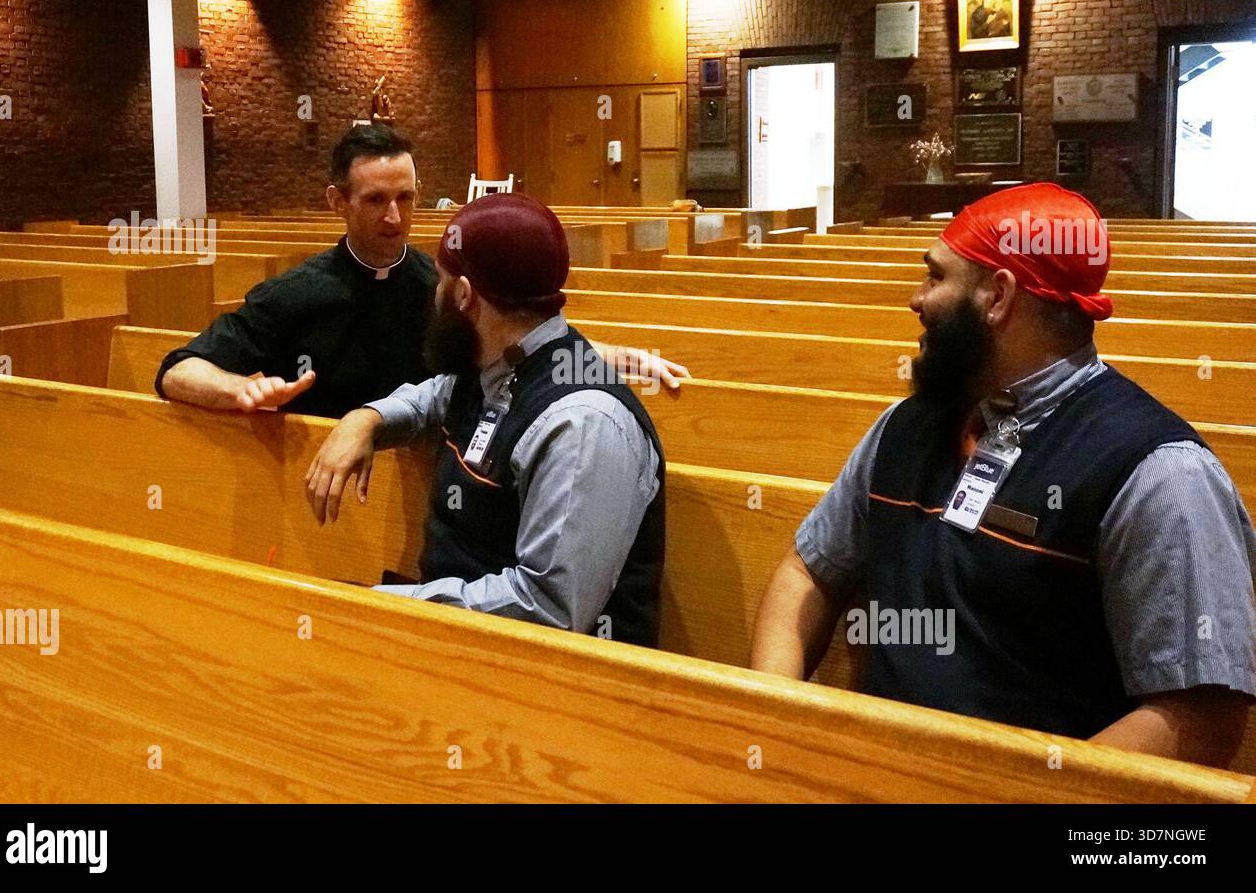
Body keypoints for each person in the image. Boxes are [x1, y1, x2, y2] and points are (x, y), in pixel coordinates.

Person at [750, 183, 1256, 768]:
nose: (917, 299)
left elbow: (1201, 720)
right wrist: (778, 719)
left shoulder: (1160, 474)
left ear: (997, 296)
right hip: (872, 772)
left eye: (936, 278)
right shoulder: (904, 427)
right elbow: (809, 571)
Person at [304, 192, 665, 645]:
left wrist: (391, 605)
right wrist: (367, 419)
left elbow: (547, 609)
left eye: (440, 282)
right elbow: (432, 397)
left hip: (557, 687)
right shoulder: (494, 363)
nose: (433, 296)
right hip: (459, 638)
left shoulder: (582, 424)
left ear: (463, 295)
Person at [156, 124, 687, 417]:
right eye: (376, 200)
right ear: (336, 202)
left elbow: (520, 347)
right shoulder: (293, 295)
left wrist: (611, 358)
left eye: (406, 198)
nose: (395, 217)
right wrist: (238, 392)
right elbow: (177, 370)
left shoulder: (443, 286)